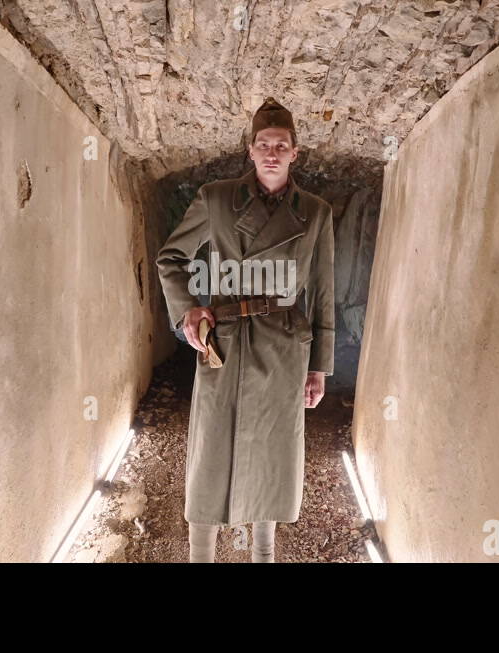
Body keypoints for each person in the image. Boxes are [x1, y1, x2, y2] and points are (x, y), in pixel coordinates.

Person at [155, 97, 335, 562]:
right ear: (250, 151)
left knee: (272, 455)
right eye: (263, 145)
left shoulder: (315, 213)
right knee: (211, 451)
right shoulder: (215, 199)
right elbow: (171, 259)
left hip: (284, 346)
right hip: (227, 341)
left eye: (281, 145)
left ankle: (263, 554)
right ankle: (201, 556)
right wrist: (188, 311)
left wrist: (320, 368)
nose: (271, 153)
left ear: (295, 153)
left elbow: (321, 290)